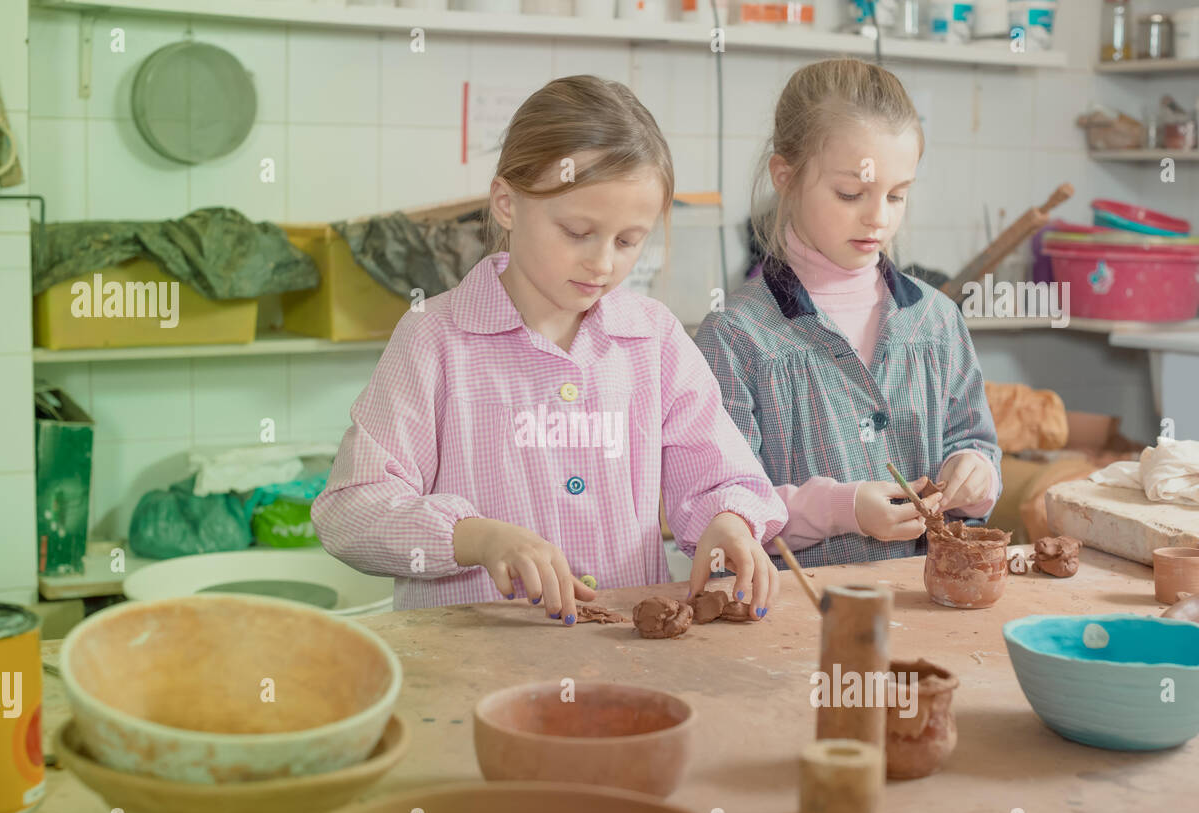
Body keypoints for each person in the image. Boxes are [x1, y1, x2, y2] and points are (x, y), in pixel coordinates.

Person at [313, 76, 788, 620]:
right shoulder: (435, 337)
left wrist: (726, 523)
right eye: (577, 231)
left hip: (620, 661)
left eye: (629, 240)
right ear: (506, 204)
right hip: (469, 664)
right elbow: (350, 510)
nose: (603, 263)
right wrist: (475, 538)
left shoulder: (653, 339)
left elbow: (720, 477)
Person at [696, 58, 1002, 568]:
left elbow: (975, 442)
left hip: (923, 615)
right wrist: (841, 510)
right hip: (789, 629)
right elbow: (722, 509)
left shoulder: (936, 321)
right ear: (786, 178)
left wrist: (973, 471)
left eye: (897, 195)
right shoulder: (735, 338)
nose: (878, 218)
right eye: (851, 193)